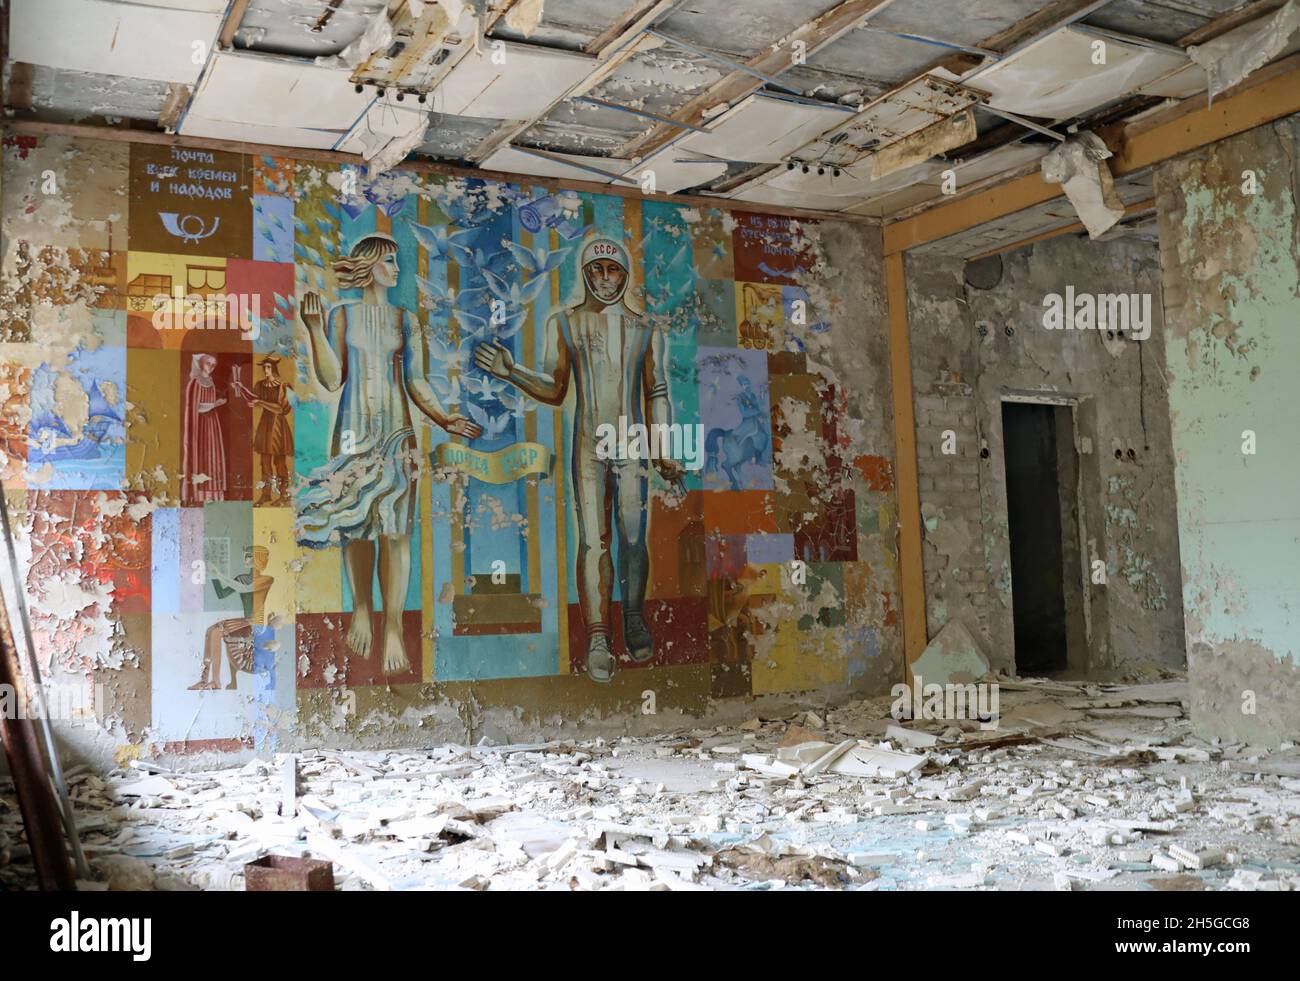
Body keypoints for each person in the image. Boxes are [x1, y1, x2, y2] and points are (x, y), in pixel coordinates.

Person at [474, 234, 682, 683]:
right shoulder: (563, 323)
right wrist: (511, 372)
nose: (606, 279)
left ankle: (632, 616)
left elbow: (658, 393)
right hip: (588, 446)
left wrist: (665, 451)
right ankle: (598, 636)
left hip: (631, 446)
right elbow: (555, 388)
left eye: (615, 271)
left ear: (625, 276)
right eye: (597, 270)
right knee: (594, 541)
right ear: (585, 274)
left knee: (632, 538)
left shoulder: (646, 329)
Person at [297, 233, 480, 673]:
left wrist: (443, 418)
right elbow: (330, 379)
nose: (396, 269)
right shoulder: (342, 315)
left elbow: (416, 381)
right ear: (369, 266)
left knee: (396, 531)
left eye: (397, 261)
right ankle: (362, 606)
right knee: (356, 526)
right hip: (352, 431)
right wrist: (314, 330)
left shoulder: (406, 318)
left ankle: (394, 625)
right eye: (389, 262)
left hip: (398, 432)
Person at [189, 546, 272, 690]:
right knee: (210, 631)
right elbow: (221, 594)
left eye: (249, 556)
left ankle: (216, 681)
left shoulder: (266, 579)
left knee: (216, 633)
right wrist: (213, 575)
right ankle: (204, 679)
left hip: (257, 624)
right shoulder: (241, 578)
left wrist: (219, 574)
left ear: (258, 559)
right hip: (246, 621)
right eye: (245, 556)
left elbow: (244, 589)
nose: (245, 559)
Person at [237, 355, 294, 506]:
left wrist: (261, 402)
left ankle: (284, 494)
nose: (265, 370)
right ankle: (266, 494)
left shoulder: (282, 386)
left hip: (278, 426)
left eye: (268, 367)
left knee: (280, 462)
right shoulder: (261, 384)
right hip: (265, 425)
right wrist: (242, 389)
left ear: (274, 368)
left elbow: (281, 408)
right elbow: (253, 400)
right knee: (265, 462)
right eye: (264, 367)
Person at [181, 353, 227, 505]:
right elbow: (196, 408)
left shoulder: (210, 381)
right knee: (202, 457)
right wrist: (215, 404)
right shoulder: (195, 382)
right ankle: (200, 494)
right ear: (201, 364)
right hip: (200, 426)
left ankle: (213, 493)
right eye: (209, 363)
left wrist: (215, 405)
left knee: (213, 456)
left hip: (211, 424)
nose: (212, 367)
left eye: (214, 364)